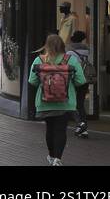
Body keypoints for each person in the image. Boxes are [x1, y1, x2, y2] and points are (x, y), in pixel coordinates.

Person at [30, 32, 86, 165]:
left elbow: (32, 81)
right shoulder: (70, 60)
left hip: (45, 102)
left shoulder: (39, 60)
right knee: (61, 129)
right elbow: (81, 81)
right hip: (65, 102)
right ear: (62, 45)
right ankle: (57, 159)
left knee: (50, 129)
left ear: (46, 46)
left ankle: (51, 155)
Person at [67, 30, 91, 138]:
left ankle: (80, 125)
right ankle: (84, 126)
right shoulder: (87, 50)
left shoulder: (69, 51)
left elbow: (68, 66)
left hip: (74, 80)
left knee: (71, 102)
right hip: (84, 79)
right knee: (80, 103)